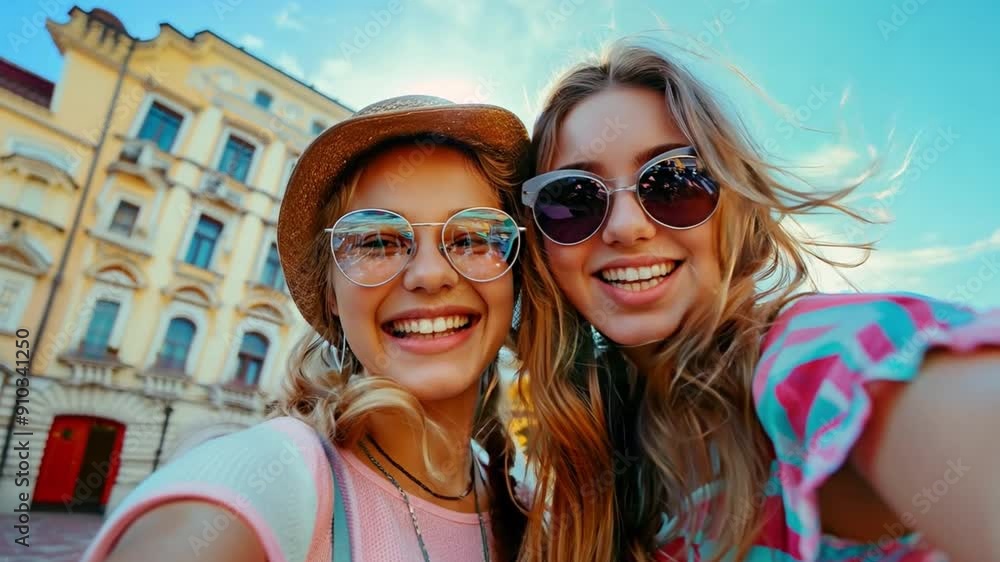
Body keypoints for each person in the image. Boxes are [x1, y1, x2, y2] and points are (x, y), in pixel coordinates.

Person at [512, 40, 1000, 561]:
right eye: (573, 200)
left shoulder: (810, 363)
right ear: (538, 241)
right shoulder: (594, 462)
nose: (627, 228)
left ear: (737, 206)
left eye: (675, 182)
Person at [81, 95, 537, 562]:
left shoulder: (529, 502)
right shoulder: (275, 476)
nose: (429, 274)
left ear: (516, 278)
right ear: (332, 294)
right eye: (378, 241)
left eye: (474, 237)